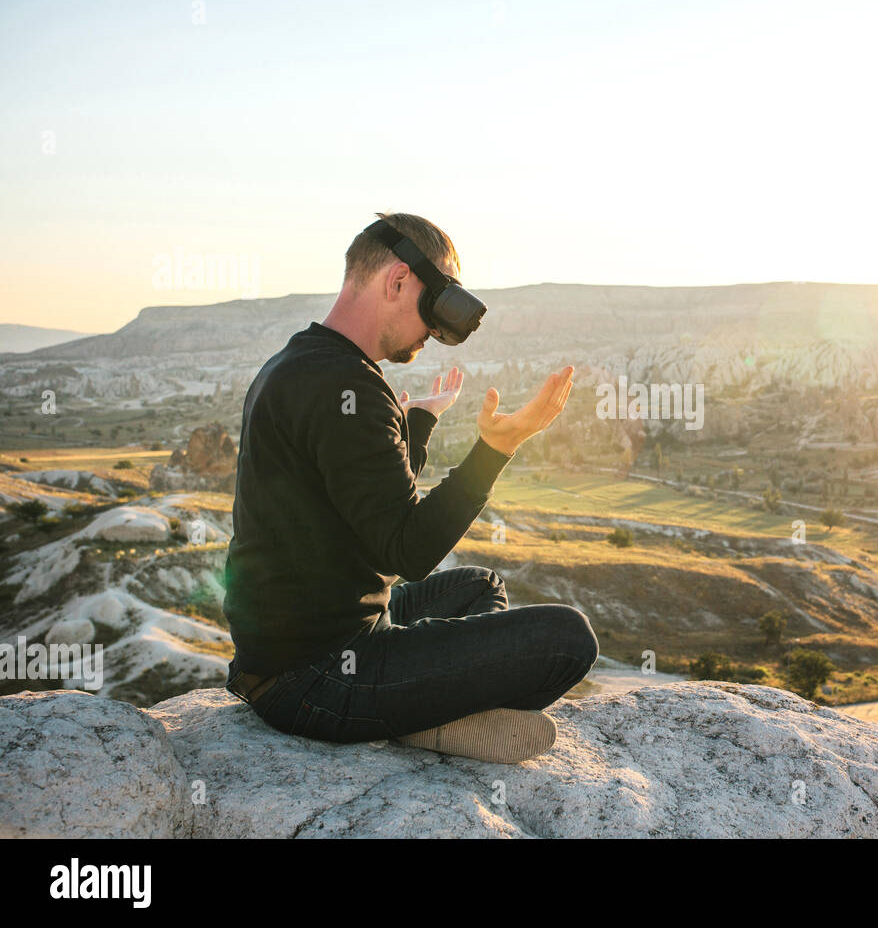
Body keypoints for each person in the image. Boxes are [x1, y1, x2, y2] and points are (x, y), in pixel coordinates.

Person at [221, 211, 598, 763]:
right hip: (317, 677)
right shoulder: (346, 384)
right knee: (568, 639)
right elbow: (410, 550)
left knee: (478, 586)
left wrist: (414, 425)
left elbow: (376, 516)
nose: (433, 334)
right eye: (434, 305)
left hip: (292, 651)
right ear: (397, 281)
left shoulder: (300, 362)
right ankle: (425, 719)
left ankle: (419, 704)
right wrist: (498, 447)